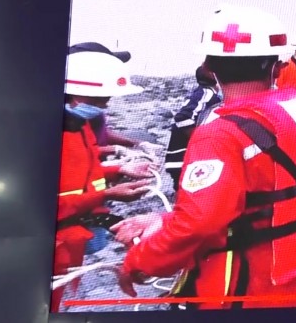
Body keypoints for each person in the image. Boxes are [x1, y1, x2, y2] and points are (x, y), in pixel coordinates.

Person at [112, 5, 296, 309]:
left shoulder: (219, 133)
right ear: (277, 65)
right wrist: (165, 220)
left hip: (250, 288)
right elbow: (262, 196)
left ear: (208, 66)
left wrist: (139, 261)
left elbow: (199, 224)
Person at [53, 51, 156, 312]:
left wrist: (121, 169)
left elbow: (84, 170)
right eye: (98, 99)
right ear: (73, 95)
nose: (104, 106)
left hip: (70, 240)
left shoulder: (78, 125)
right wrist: (108, 195)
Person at [69, 42, 156, 158]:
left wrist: (136, 143)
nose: (105, 103)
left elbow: (102, 133)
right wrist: (114, 151)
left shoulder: (91, 111)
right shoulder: (66, 116)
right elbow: (73, 151)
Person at [164, 64, 222, 189]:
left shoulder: (201, 93)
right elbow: (182, 117)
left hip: (183, 160)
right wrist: (200, 140)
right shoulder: (206, 93)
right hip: (183, 158)